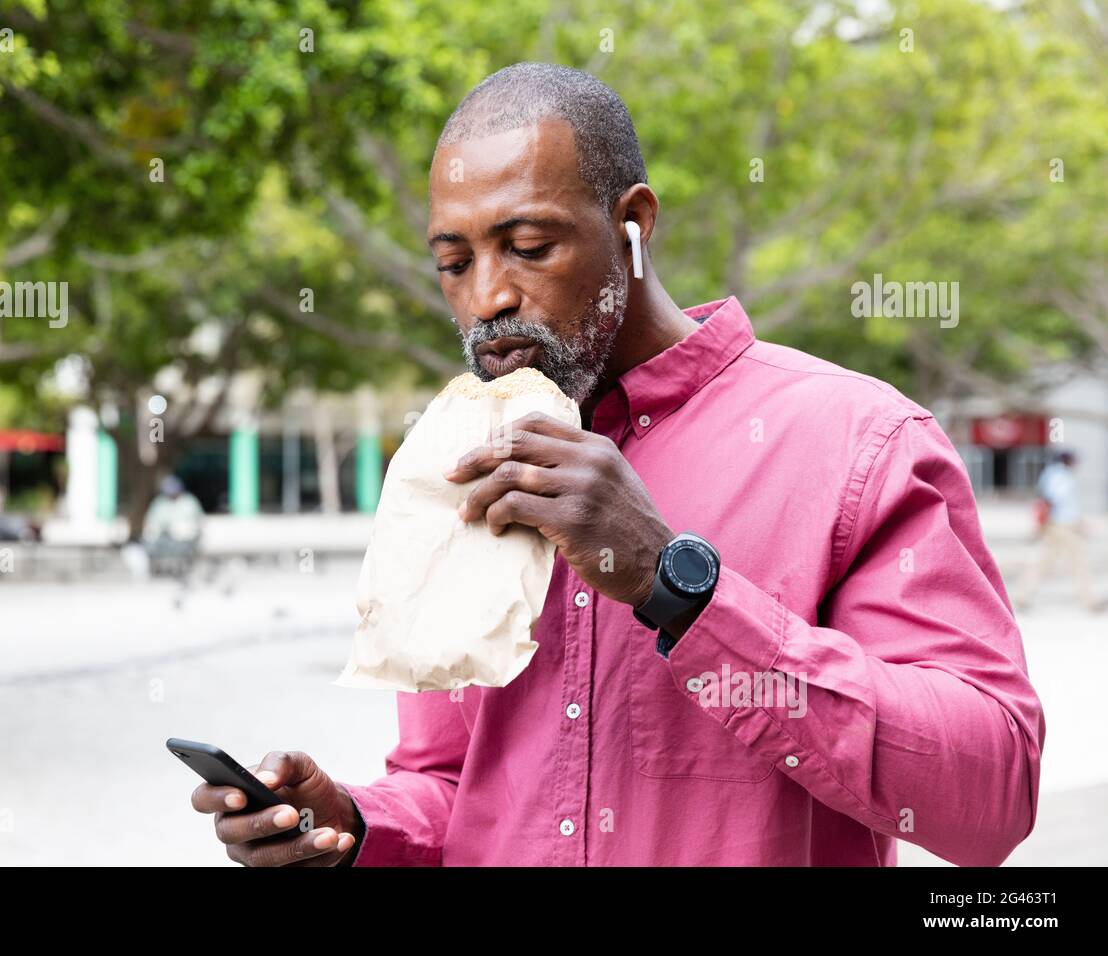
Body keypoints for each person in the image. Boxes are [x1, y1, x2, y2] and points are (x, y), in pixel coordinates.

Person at [190, 63, 1044, 866]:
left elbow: (990, 794)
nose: (486, 298)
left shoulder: (858, 440)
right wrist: (352, 824)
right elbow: (454, 783)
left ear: (633, 223)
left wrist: (679, 587)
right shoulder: (457, 464)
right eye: (454, 263)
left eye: (528, 246)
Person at [1016, 450, 1100, 612]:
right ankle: (1090, 600)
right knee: (1078, 562)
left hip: (1056, 524)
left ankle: (1023, 595)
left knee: (1043, 562)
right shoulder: (1061, 476)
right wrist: (1039, 526)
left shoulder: (1050, 474)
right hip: (1063, 525)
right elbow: (1052, 501)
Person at [143, 475, 204, 575]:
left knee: (184, 532)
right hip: (164, 538)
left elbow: (198, 522)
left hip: (184, 539)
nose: (172, 495)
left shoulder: (189, 502)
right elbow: (152, 522)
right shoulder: (160, 503)